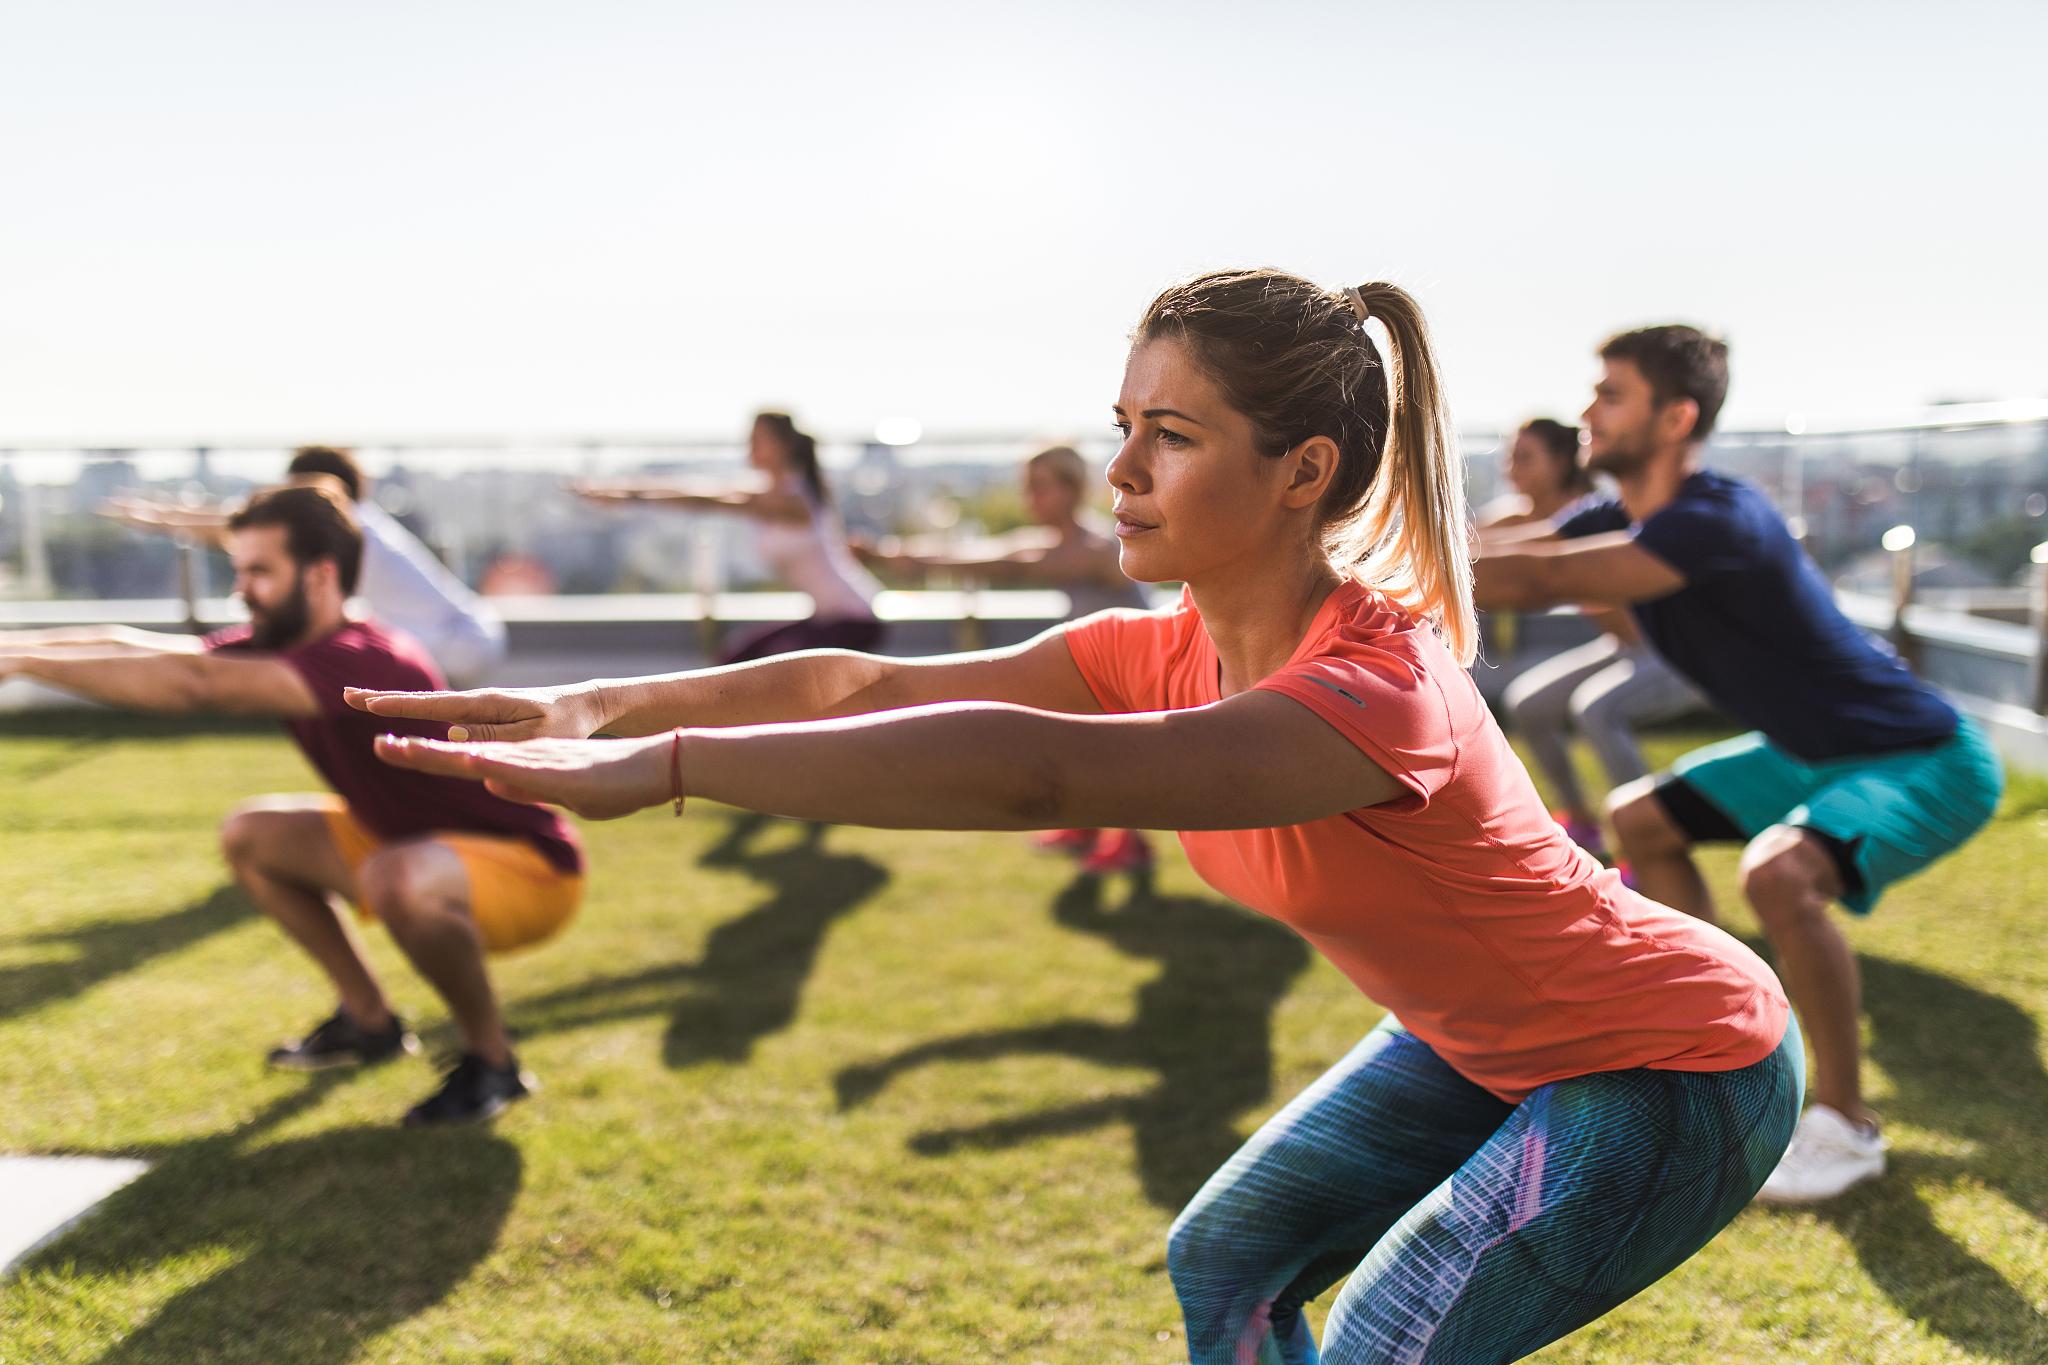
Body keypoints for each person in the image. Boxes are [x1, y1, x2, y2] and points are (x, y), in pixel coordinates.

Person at [355, 270, 1799, 1362]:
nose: (1120, 472)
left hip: (1671, 1063)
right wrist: (600, 707)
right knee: (1227, 1256)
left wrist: (673, 771)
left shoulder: (1373, 688)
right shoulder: (1167, 642)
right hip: (1487, 1042)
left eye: (1169, 437)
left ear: (1304, 471)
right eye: (1125, 428)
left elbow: (1033, 772)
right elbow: (869, 678)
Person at [1472, 325, 2002, 1204]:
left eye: (1611, 395)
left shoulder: (1719, 518)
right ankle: (1718, 1037)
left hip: (1924, 755)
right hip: (1805, 754)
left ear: (1677, 416)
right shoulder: (1619, 512)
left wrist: (1371, 562)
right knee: (1640, 817)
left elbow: (1529, 579)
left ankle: (1846, 1127)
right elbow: (1506, 544)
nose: (1586, 413)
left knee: (1781, 874)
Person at [0, 485, 584, 1125]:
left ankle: (492, 1062)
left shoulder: (364, 657)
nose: (242, 588)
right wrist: (17, 648)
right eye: (238, 570)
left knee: (398, 876)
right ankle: (369, 1021)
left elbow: (197, 687)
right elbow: (140, 646)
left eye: (260, 572)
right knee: (252, 834)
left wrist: (27, 661)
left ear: (322, 574)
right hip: (408, 845)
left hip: (531, 871)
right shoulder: (290, 643)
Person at [857, 444, 1155, 877]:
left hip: (1134, 664)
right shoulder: (1063, 542)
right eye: (1027, 488)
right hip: (1101, 661)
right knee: (1078, 740)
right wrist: (897, 556)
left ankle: (1131, 844)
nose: (1030, 499)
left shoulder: (1093, 549)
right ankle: (1087, 826)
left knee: (1114, 752)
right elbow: (991, 553)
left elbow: (1008, 563)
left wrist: (901, 560)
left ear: (1072, 490)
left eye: (1040, 488)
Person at [98, 446, 508, 687]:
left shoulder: (349, 524)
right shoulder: (363, 521)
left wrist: (159, 519)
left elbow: (234, 524)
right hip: (465, 633)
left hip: (459, 641)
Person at [1482, 420, 1706, 860]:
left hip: (1672, 652)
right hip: (1622, 650)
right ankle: (1583, 823)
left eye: (1526, 458)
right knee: (1528, 703)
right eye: (1510, 457)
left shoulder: (1595, 516)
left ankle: (1647, 843)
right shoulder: (1522, 517)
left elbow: (1534, 572)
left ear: (1561, 462)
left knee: (1598, 710)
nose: (1513, 469)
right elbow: (1465, 547)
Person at [577, 412, 884, 664]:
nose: (749, 448)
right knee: (734, 660)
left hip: (854, 620)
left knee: (763, 673)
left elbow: (706, 500)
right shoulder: (775, 494)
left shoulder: (793, 501)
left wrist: (630, 495)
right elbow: (704, 491)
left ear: (783, 446)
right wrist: (624, 489)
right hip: (828, 619)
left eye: (757, 441)